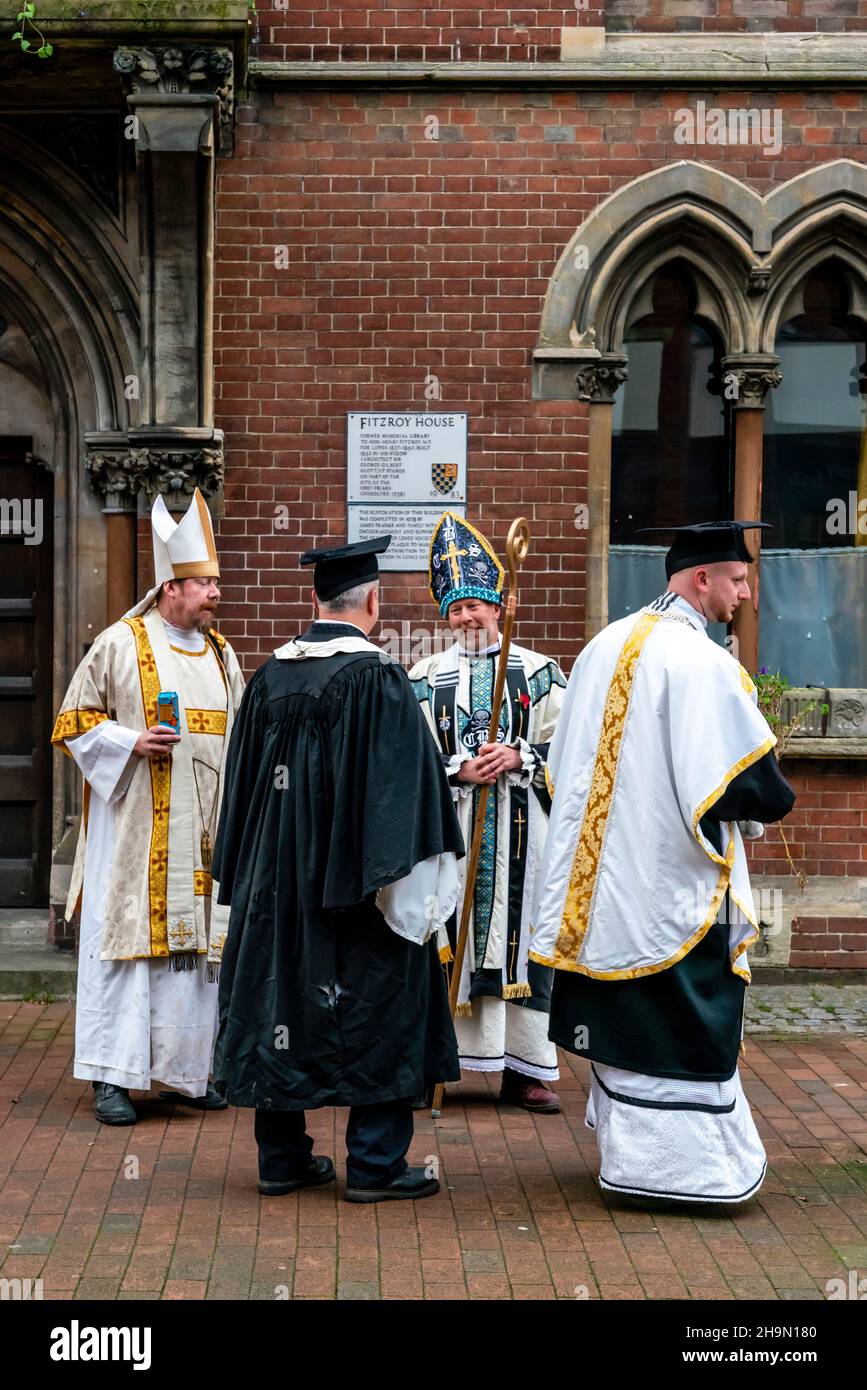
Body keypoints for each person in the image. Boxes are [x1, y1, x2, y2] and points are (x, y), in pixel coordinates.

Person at [531, 521, 795, 1204]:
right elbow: (753, 788)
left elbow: (562, 772)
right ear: (700, 577)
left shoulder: (601, 645)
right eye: (737, 580)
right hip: (669, 889)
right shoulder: (700, 662)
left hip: (601, 891)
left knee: (620, 1019)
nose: (745, 594)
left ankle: (627, 1156)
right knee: (678, 1023)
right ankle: (687, 1174)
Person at [211, 535, 464, 1203]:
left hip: (275, 886)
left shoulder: (270, 674)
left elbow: (239, 787)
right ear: (373, 601)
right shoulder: (377, 679)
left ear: (314, 598)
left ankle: (282, 1158)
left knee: (281, 1002)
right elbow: (400, 793)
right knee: (381, 1002)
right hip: (354, 889)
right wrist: (409, 882)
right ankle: (376, 1165)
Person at [51, 489, 246, 1125]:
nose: (216, 593)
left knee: (193, 960)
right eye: (205, 584)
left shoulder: (222, 654)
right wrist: (130, 741)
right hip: (136, 829)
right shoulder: (119, 643)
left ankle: (184, 1074)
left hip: (203, 834)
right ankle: (112, 1078)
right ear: (170, 588)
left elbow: (239, 734)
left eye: (215, 582)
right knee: (127, 950)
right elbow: (73, 724)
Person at [408, 512, 567, 1112]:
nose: (468, 618)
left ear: (499, 605)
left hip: (524, 834)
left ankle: (524, 1070)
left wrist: (523, 754)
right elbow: (409, 759)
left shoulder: (541, 673)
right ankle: (436, 1063)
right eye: (456, 609)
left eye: (477, 605)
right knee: (442, 934)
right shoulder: (425, 677)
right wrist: (455, 769)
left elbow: (576, 753)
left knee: (522, 937)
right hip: (455, 833)